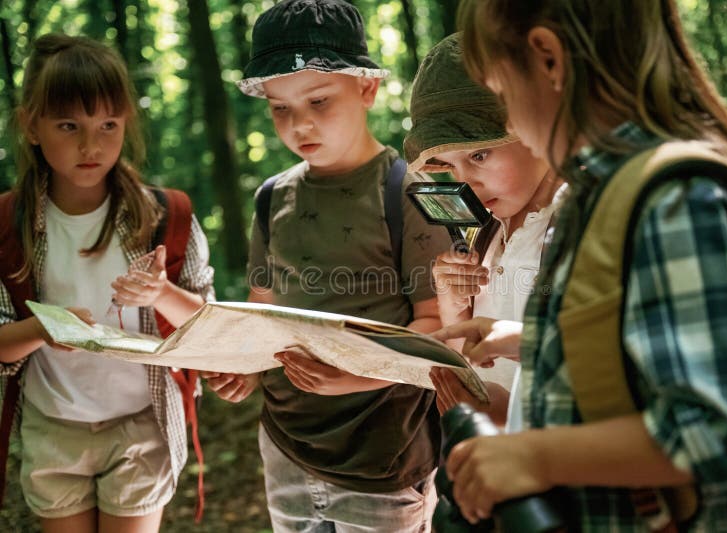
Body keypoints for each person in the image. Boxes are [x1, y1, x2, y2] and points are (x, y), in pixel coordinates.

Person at [432, 0, 727, 530]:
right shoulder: (602, 193)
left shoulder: (674, 201)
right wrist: (539, 340)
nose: (507, 118)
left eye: (500, 92)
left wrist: (535, 457)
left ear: (548, 58)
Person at [202, 1, 451, 531]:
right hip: (287, 447)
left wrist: (355, 372)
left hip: (383, 454)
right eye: (280, 108)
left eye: (318, 100)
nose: (300, 123)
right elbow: (263, 314)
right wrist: (245, 365)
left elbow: (437, 330)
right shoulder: (272, 198)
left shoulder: (414, 191)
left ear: (366, 88)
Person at [0, 34, 214, 533]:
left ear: (126, 124)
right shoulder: (8, 225)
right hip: (53, 427)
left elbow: (209, 330)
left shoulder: (166, 217)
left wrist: (161, 293)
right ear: (31, 126)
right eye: (69, 125)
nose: (90, 145)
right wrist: (43, 330)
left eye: (108, 125)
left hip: (142, 422)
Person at [403, 33, 564, 428]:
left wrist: (508, 416)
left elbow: (601, 364)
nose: (466, 182)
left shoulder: (577, 225)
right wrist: (454, 305)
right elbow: (467, 353)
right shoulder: (487, 232)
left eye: (478, 154)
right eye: (449, 165)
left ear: (535, 122)